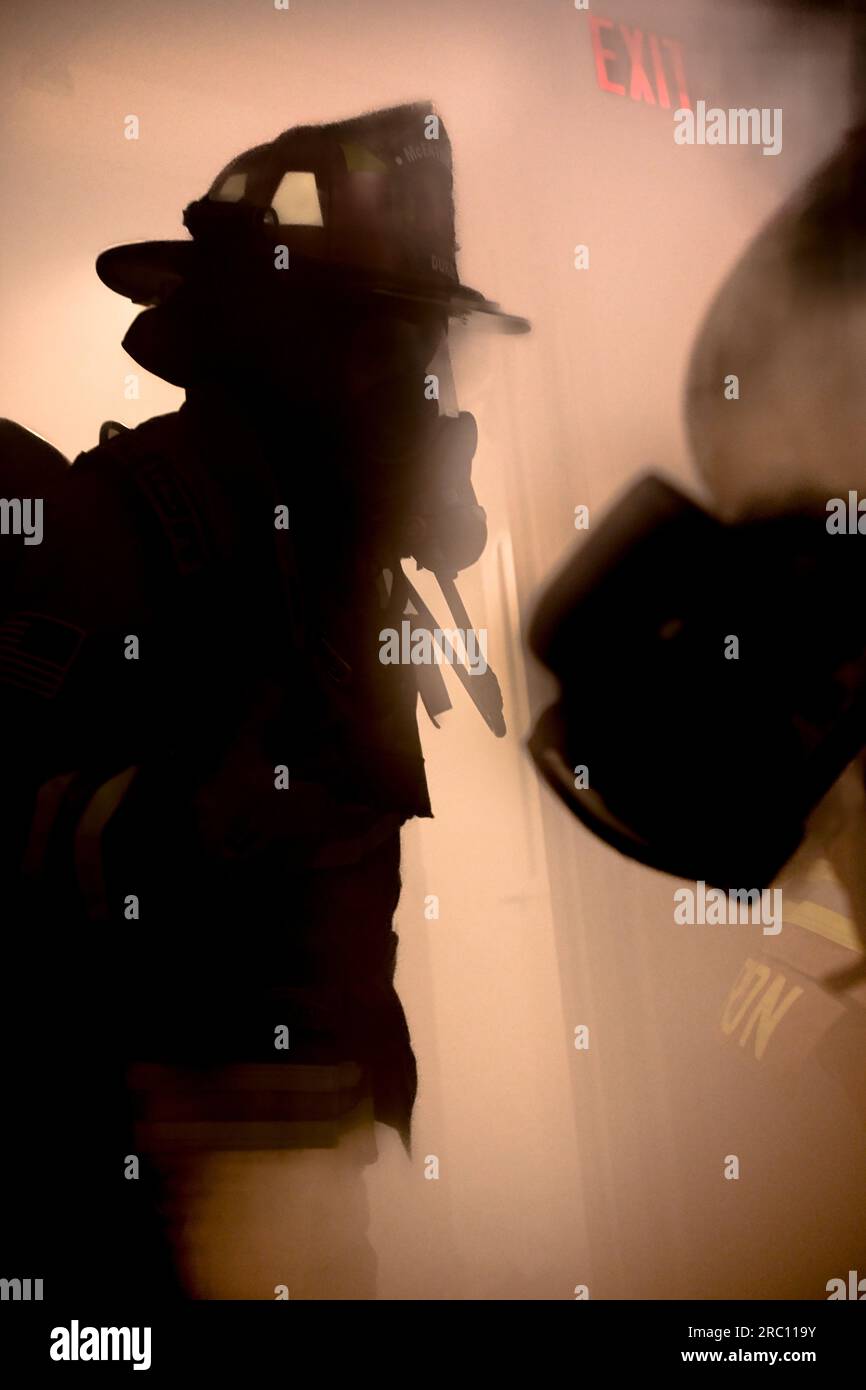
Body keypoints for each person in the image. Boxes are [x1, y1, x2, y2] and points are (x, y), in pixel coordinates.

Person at [0, 99, 528, 1299]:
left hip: (289, 1201)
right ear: (286, 346)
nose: (425, 388)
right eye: (388, 346)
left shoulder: (329, 584)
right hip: (116, 1211)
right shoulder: (125, 536)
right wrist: (165, 827)